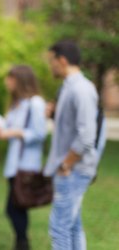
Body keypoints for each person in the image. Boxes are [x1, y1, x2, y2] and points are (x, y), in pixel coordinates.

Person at [44, 40, 99, 250]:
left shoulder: (82, 89)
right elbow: (70, 129)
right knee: (73, 226)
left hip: (73, 169)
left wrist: (66, 164)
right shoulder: (68, 87)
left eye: (52, 61)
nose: (51, 66)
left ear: (62, 60)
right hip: (69, 168)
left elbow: (87, 137)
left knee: (59, 228)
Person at [0, 65, 47, 250]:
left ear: (21, 80)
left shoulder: (35, 103)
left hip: (26, 164)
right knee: (17, 207)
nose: (7, 82)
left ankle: (23, 243)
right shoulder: (16, 104)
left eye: (11, 79)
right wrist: (2, 129)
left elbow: (40, 133)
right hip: (13, 164)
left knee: (14, 207)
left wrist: (15, 133)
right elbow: (9, 127)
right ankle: (21, 243)